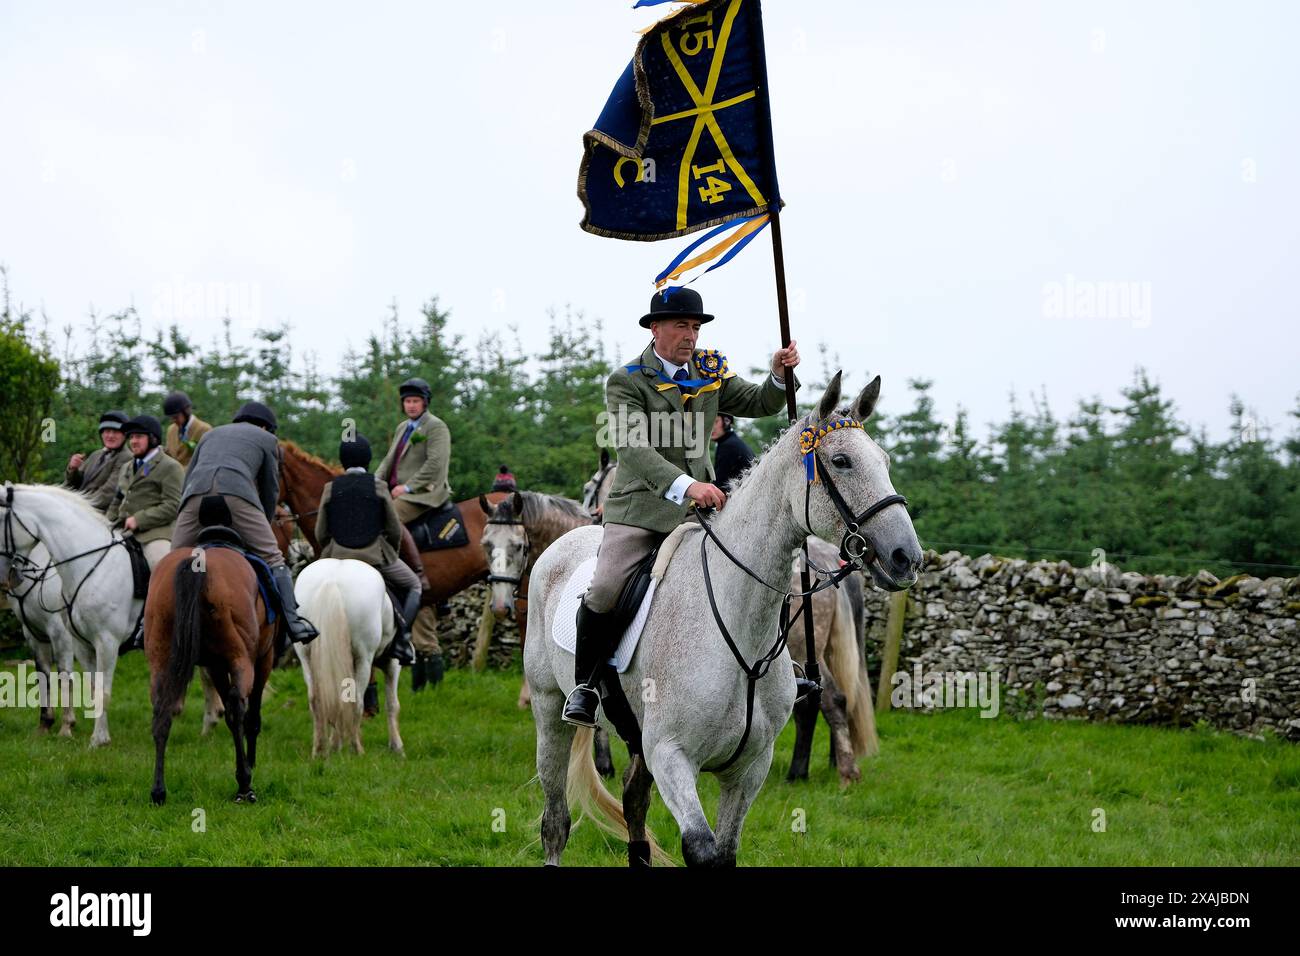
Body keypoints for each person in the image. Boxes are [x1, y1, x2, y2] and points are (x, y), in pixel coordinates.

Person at [562, 286, 801, 727]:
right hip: (641, 512)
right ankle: (586, 685)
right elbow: (633, 447)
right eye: (681, 326)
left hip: (700, 514)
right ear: (656, 329)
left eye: (695, 327)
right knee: (604, 588)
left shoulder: (708, 371)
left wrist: (777, 376)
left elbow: (760, 403)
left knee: (764, 566)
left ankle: (778, 671)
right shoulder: (627, 380)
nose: (690, 335)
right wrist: (688, 485)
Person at [169, 401, 318, 645]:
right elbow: (270, 489)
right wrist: (264, 520)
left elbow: (189, 477)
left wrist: (186, 511)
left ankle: (146, 623)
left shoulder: (211, 434)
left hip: (195, 496)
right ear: (264, 427)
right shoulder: (267, 440)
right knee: (274, 558)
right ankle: (294, 622)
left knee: (173, 559)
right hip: (236, 494)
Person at [315, 436, 419, 665]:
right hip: (374, 555)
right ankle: (402, 640)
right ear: (369, 460)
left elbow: (321, 531)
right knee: (414, 585)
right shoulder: (379, 487)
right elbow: (394, 529)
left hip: (336, 553)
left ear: (342, 461)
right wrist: (391, 551)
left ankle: (293, 635)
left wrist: (329, 551)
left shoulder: (331, 488)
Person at [374, 376, 453, 666]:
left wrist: (406, 487)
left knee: (388, 516)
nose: (410, 405)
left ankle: (411, 571)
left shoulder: (436, 427)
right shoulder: (403, 428)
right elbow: (388, 461)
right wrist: (373, 482)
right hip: (397, 491)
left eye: (415, 401)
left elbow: (435, 464)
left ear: (425, 402)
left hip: (424, 494)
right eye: (407, 401)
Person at [105, 414, 184, 570]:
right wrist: (105, 524)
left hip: (155, 534)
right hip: (123, 530)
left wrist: (139, 520)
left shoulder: (170, 467)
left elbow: (173, 505)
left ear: (153, 439)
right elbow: (118, 500)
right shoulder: (127, 467)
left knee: (162, 565)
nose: (133, 441)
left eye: (139, 437)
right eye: (131, 437)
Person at [64, 409, 130, 512]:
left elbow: (108, 493)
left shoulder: (126, 458)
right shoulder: (96, 455)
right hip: (79, 507)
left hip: (100, 513)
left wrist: (79, 506)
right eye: (107, 431)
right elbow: (74, 485)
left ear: (125, 435)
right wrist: (73, 468)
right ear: (102, 434)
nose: (110, 436)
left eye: (116, 432)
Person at [162, 390, 211, 468]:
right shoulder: (171, 430)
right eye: (171, 418)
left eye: (176, 417)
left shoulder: (204, 429)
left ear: (186, 411)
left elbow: (206, 460)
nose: (173, 421)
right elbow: (169, 455)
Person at [711, 413, 755, 492]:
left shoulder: (728, 446)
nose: (711, 427)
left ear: (727, 422)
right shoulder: (735, 442)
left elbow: (719, 486)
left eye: (715, 422)